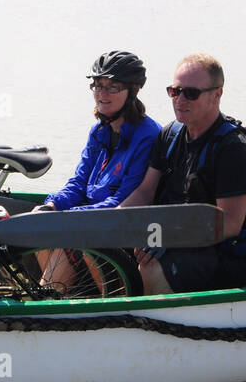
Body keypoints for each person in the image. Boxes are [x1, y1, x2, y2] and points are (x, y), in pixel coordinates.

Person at [118, 52, 246, 295]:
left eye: (191, 93)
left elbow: (229, 224)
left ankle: (151, 327)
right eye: (174, 91)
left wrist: (161, 237)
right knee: (103, 248)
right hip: (170, 235)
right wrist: (113, 221)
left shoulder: (234, 149)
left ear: (217, 94)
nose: (180, 100)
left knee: (150, 269)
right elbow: (145, 191)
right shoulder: (170, 134)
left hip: (220, 250)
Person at [31, 50, 162, 293]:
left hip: (124, 229)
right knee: (38, 221)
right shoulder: (99, 131)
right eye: (98, 85)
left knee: (66, 242)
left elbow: (124, 200)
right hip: (89, 221)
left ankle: (59, 303)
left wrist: (73, 215)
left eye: (113, 87)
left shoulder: (148, 136)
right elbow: (79, 182)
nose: (102, 94)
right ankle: (60, 297)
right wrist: (52, 206)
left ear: (132, 91)